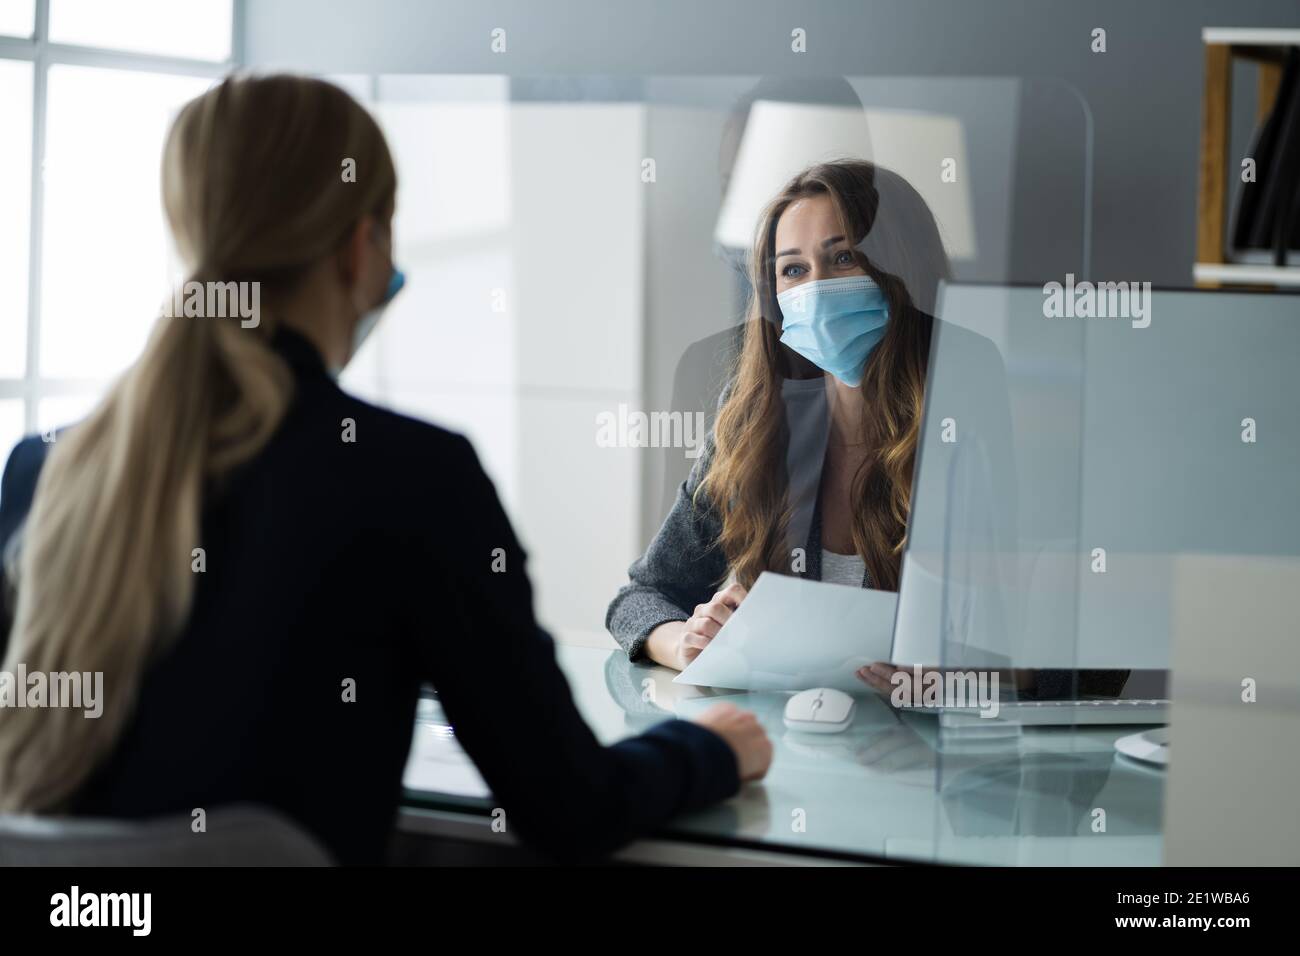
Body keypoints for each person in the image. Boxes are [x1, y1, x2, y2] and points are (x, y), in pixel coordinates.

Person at [0, 74, 770, 865]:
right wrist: (707, 747)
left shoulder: (43, 467)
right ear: (362, 247)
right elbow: (569, 805)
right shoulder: (413, 478)